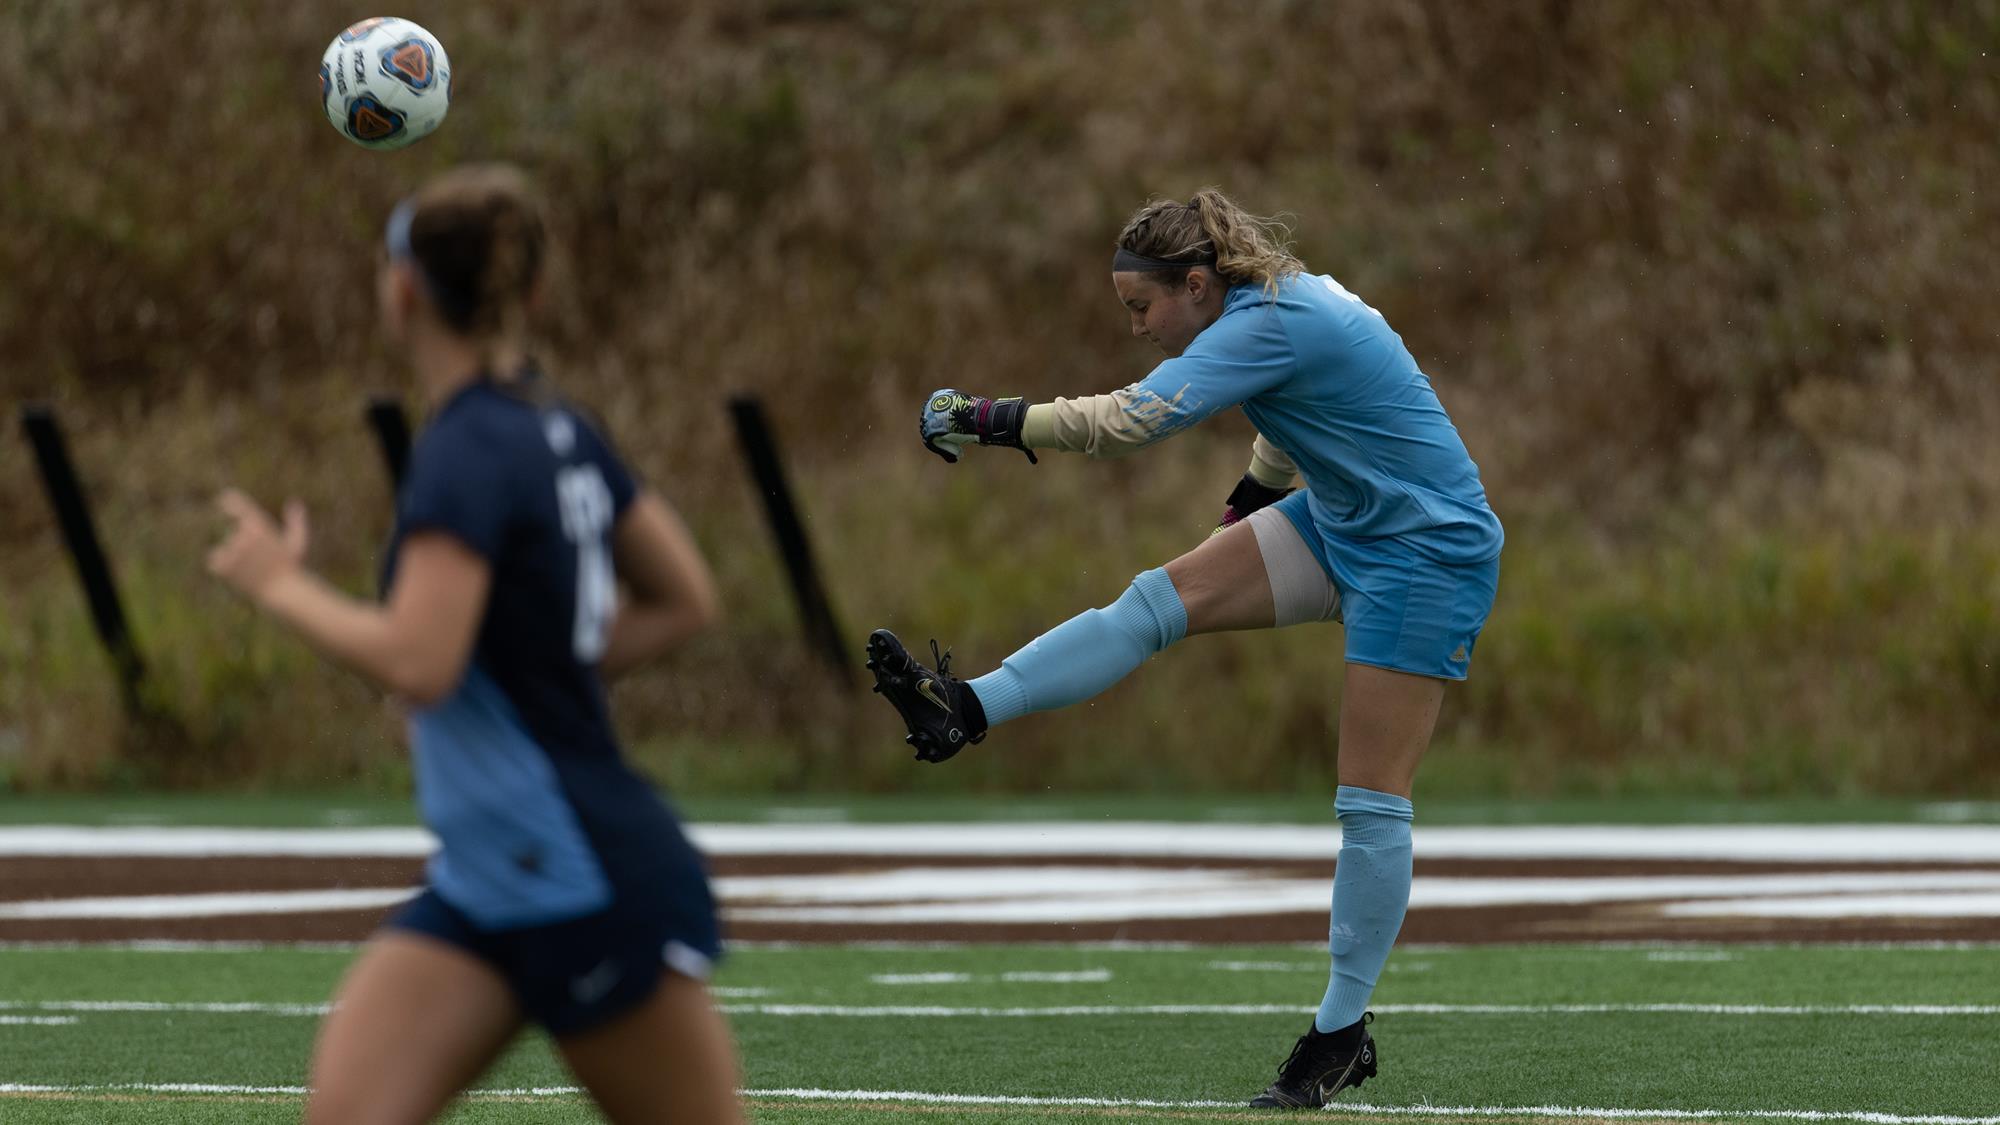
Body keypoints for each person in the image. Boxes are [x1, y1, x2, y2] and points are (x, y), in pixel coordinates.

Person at [865, 188, 1503, 1109]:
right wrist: (1245, 511)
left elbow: (1129, 420)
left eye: (1142, 307)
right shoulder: (1271, 308)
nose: (1137, 327)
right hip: (1344, 520)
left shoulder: (1266, 321)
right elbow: (1288, 418)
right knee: (1153, 603)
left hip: (1425, 549)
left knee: (1370, 803)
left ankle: (1339, 1033)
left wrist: (986, 417)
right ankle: (964, 708)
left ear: (1197, 285)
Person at [207, 164, 742, 1125]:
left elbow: (420, 660)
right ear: (530, 292)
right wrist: (524, 677)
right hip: (490, 875)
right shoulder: (556, 426)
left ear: (402, 290)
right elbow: (682, 598)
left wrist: (278, 584)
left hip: (577, 867)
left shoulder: (466, 448)